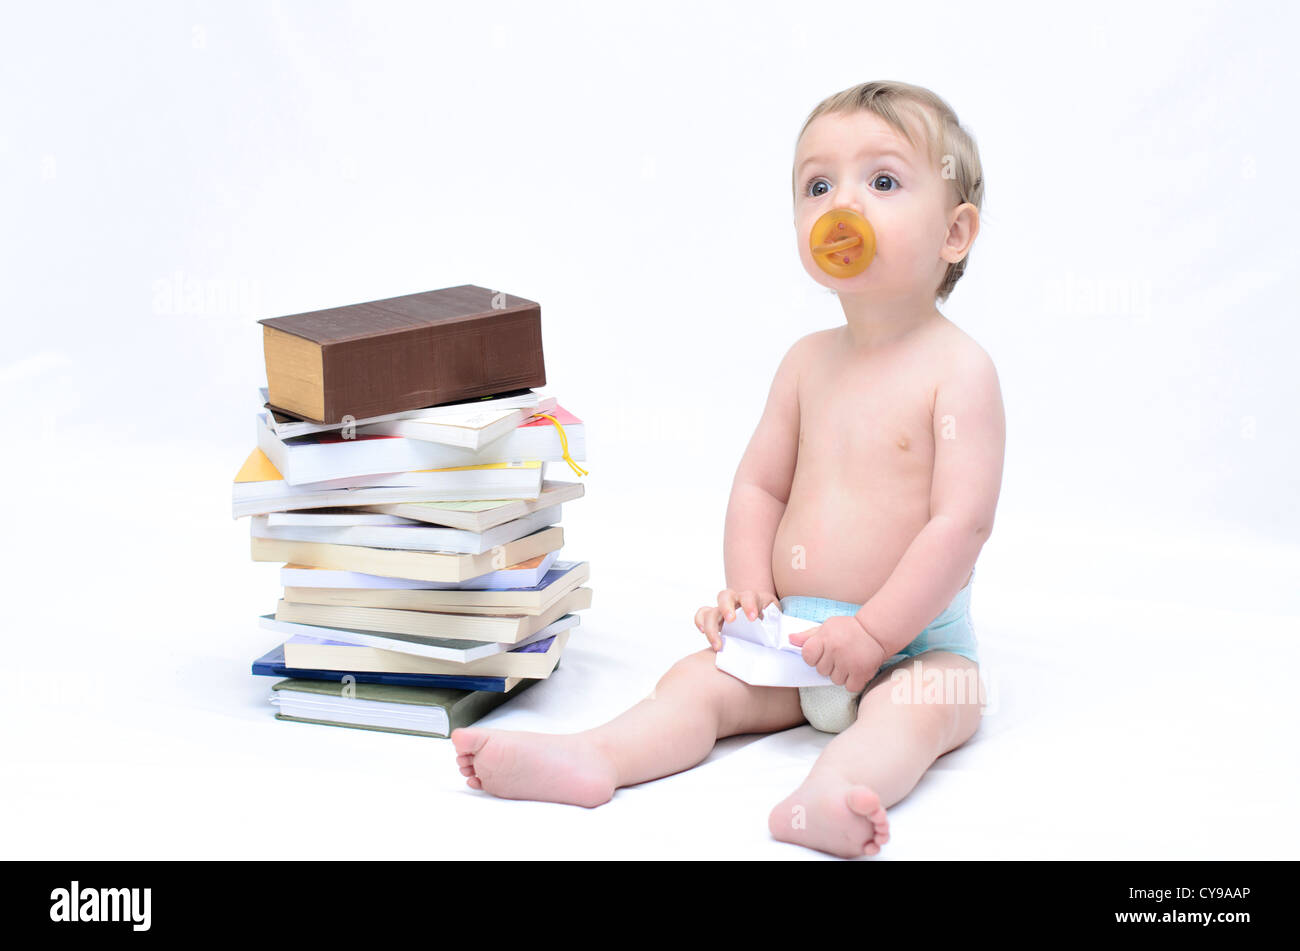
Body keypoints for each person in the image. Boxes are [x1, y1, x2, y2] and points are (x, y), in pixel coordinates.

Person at [452, 80, 1004, 858]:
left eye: (882, 181)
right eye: (818, 184)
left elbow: (962, 523)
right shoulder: (807, 364)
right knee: (696, 684)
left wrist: (877, 633)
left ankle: (834, 793)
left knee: (924, 707)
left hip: (914, 645)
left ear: (955, 233)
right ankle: (596, 755)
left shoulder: (960, 370)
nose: (842, 202)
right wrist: (750, 590)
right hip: (794, 637)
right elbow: (761, 487)